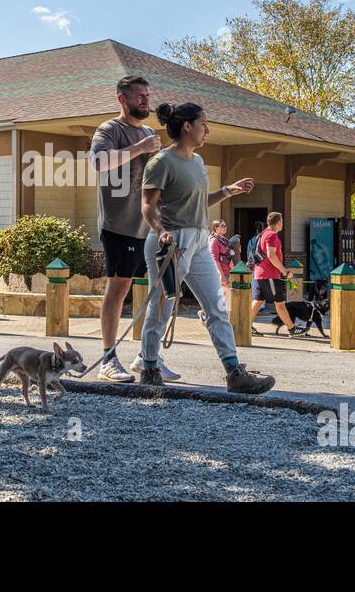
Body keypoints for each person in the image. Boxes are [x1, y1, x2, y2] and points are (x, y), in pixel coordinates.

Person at [139, 101, 275, 394]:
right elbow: (148, 206)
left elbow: (199, 205)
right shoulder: (160, 162)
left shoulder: (198, 162)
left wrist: (229, 190)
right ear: (187, 126)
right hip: (171, 242)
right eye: (204, 124)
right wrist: (161, 232)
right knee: (162, 307)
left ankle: (234, 372)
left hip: (200, 240)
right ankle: (149, 368)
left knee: (216, 306)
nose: (207, 130)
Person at [89, 75, 179, 383]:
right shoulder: (110, 129)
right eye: (139, 96)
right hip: (120, 225)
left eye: (147, 95)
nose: (145, 100)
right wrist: (140, 147)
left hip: (151, 226)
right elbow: (100, 163)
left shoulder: (150, 132)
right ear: (122, 99)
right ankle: (107, 358)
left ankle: (147, 357)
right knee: (120, 288)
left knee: (162, 291)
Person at [249, 212, 299, 337]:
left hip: (260, 273)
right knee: (280, 304)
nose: (283, 223)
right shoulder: (272, 235)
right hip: (269, 274)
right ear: (278, 222)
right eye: (282, 221)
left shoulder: (263, 233)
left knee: (258, 301)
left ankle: (244, 326)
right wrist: (285, 271)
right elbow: (272, 255)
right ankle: (292, 329)